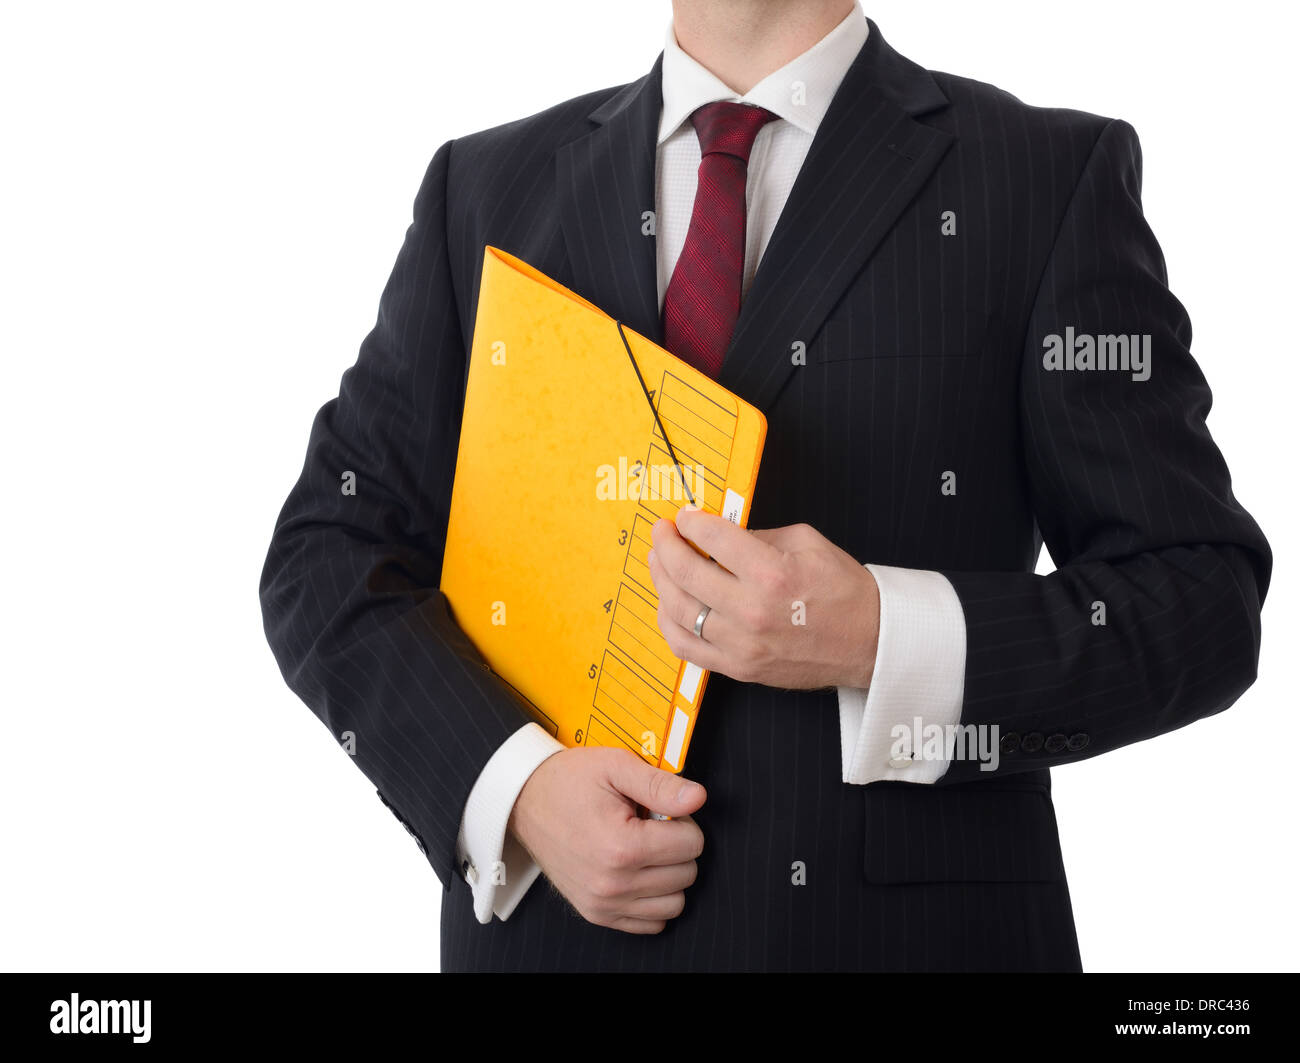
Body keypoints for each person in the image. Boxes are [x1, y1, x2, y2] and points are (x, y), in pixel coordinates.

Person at [259, 0, 1271, 971]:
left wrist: (879, 632)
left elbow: (1198, 600)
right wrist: (514, 787)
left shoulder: (1040, 179)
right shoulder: (481, 190)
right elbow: (327, 555)